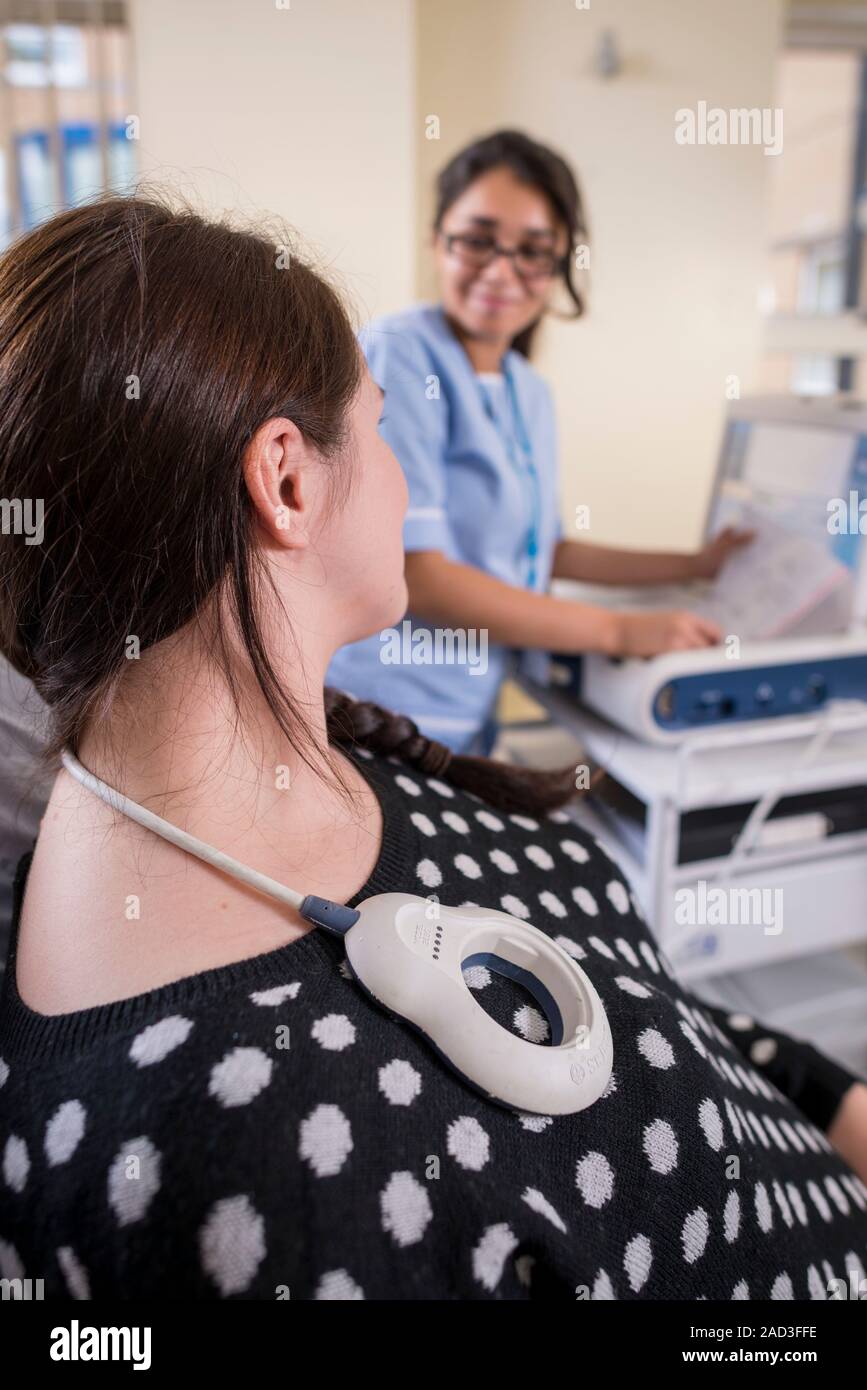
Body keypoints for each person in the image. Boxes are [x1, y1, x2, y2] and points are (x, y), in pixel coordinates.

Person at [0, 196, 865, 1302]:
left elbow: (643, 1004)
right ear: (288, 480)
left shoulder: (329, 767)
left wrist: (828, 1095)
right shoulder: (266, 1172)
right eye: (382, 429)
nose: (405, 483)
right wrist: (615, 630)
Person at [327, 130, 753, 755]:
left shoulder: (529, 392)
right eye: (477, 240)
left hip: (470, 711)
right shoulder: (401, 355)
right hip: (384, 716)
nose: (502, 272)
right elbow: (419, 574)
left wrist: (692, 567)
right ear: (437, 238)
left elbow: (543, 548)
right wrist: (616, 631)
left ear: (558, 264)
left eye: (533, 251)